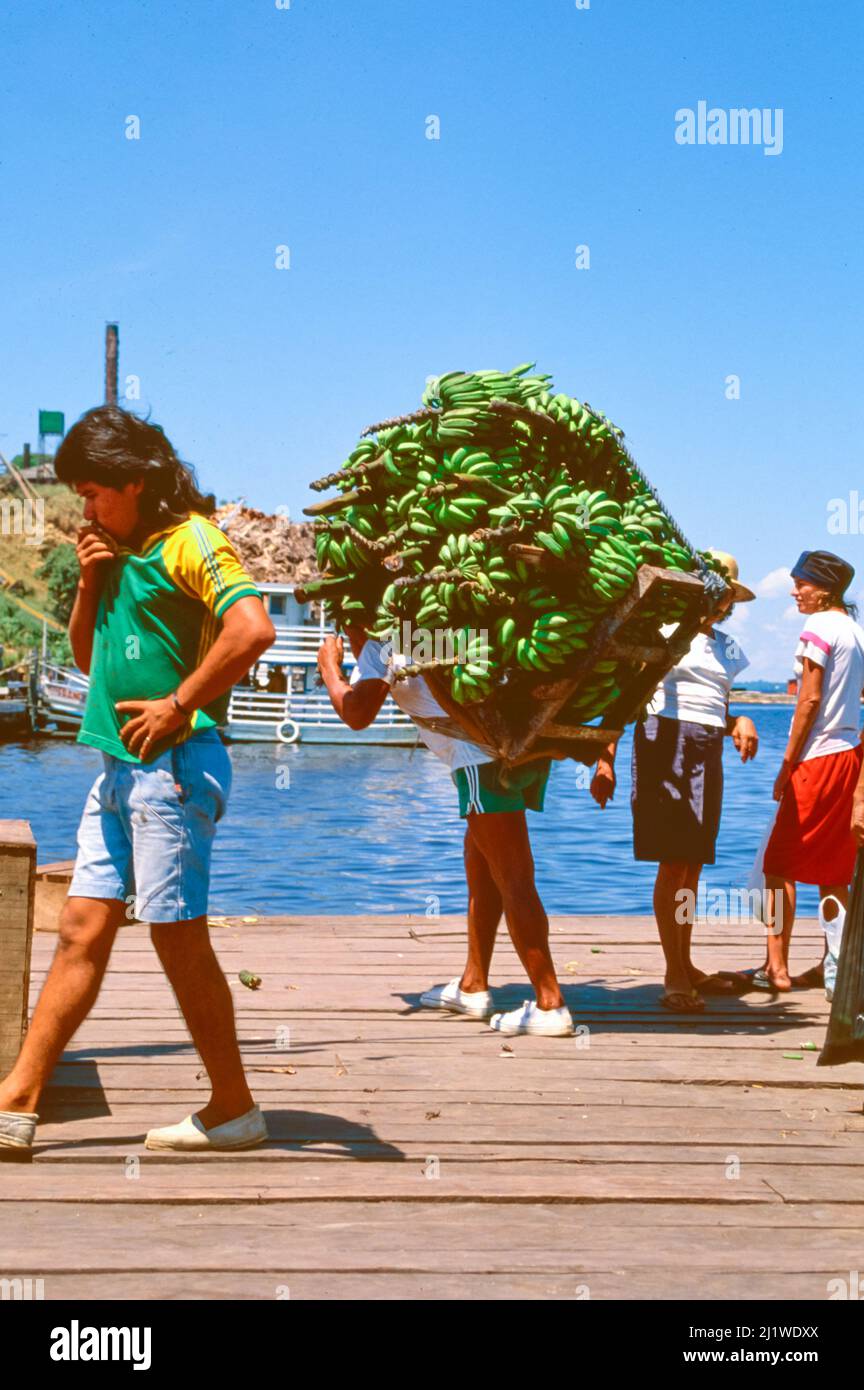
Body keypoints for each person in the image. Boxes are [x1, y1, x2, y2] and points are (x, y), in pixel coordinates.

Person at [0, 406, 275, 1159]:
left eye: (94, 492)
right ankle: (16, 1101)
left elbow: (253, 629)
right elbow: (91, 662)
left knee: (177, 939)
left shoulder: (192, 540)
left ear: (136, 480)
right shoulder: (118, 552)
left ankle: (234, 1107)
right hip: (119, 773)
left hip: (173, 772)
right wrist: (91, 580)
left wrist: (179, 704)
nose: (84, 509)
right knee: (80, 930)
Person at [317, 626, 574, 1036]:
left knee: (514, 879)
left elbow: (356, 715)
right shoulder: (432, 626)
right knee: (482, 866)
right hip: (515, 749)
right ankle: (473, 985)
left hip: (478, 760)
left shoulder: (383, 644)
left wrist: (331, 668)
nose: (344, 625)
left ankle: (550, 1003)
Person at [591, 551, 759, 1013]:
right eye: (713, 591)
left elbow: (714, 705)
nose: (719, 601)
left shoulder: (727, 648)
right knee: (673, 863)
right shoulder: (661, 632)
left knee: (692, 865)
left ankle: (686, 963)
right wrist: (604, 760)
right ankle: (673, 974)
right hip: (662, 740)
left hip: (708, 749)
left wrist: (739, 720)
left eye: (726, 596)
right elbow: (624, 697)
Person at [732, 550, 864, 994]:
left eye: (802, 584)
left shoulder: (818, 628)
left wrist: (787, 764)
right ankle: (838, 968)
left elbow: (808, 700)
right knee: (833, 870)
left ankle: (776, 967)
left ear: (824, 589)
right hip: (847, 756)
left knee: (778, 865)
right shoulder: (857, 633)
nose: (795, 591)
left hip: (816, 759)